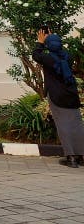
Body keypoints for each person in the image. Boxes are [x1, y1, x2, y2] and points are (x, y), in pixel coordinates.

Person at [32, 30, 84, 167]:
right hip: (72, 95)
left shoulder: (48, 58)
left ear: (49, 45)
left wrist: (41, 42)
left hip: (56, 96)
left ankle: (71, 158)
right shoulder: (68, 56)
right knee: (77, 125)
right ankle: (82, 156)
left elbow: (36, 55)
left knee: (63, 126)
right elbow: (59, 48)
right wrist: (54, 39)